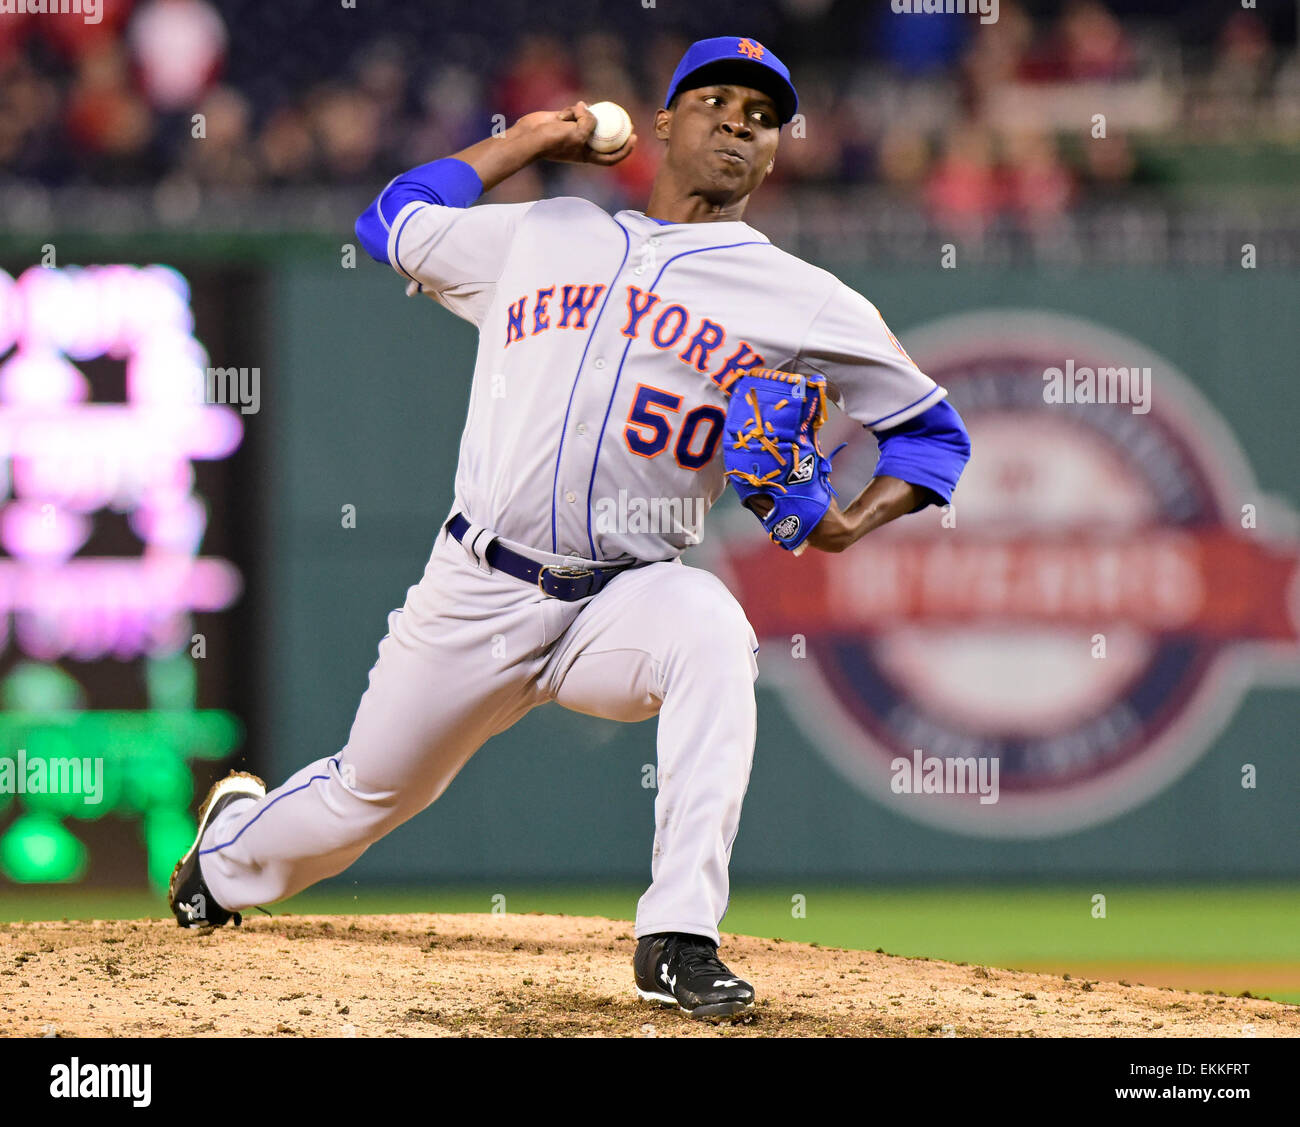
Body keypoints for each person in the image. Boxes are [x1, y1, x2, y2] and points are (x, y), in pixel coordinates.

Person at [169, 35, 971, 1022]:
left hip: (622, 599)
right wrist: (535, 135)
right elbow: (388, 220)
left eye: (760, 117)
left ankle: (678, 935)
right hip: (476, 586)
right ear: (664, 122)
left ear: (772, 155)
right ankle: (227, 851)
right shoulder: (543, 233)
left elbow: (931, 439)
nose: (736, 121)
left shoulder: (799, 299)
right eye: (714, 100)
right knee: (366, 796)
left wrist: (847, 524)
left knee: (713, 629)